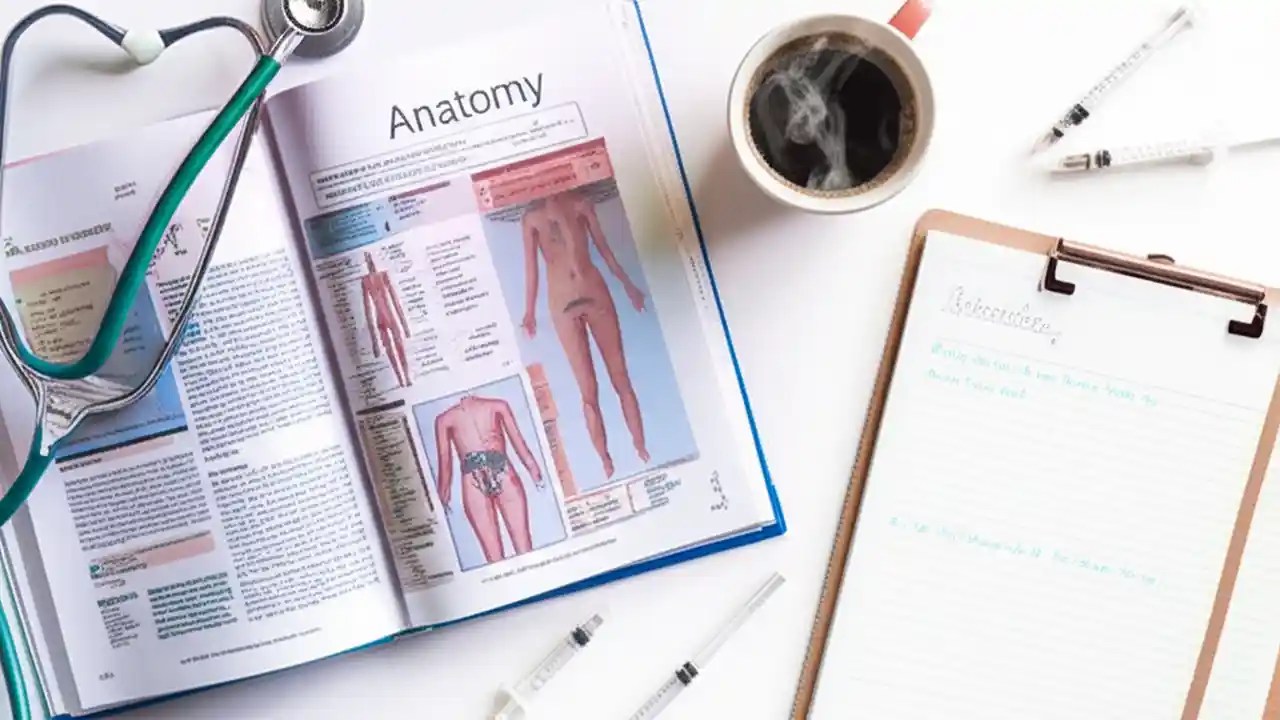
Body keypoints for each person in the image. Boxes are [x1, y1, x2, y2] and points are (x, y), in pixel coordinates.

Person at [520, 188, 649, 479]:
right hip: (566, 300)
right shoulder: (532, 219)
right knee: (589, 391)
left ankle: (639, 445)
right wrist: (528, 311)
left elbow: (605, 250)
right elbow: (532, 268)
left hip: (586, 292)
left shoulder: (578, 206)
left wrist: (628, 285)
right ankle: (605, 458)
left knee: (619, 379)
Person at [435, 394, 544, 563]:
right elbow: (519, 442)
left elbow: (445, 463)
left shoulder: (446, 419)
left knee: (495, 558)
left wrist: (443, 496)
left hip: (474, 477)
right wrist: (534, 471)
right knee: (523, 549)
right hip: (500, 469)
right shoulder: (497, 405)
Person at [360, 251, 412, 387]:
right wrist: (374, 341)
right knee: (390, 350)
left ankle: (406, 377)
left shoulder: (383, 276)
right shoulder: (365, 281)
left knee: (399, 346)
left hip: (391, 317)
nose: (370, 263)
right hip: (380, 321)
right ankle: (400, 379)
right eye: (367, 260)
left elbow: (395, 301)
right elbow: (368, 310)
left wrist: (405, 325)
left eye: (371, 259)